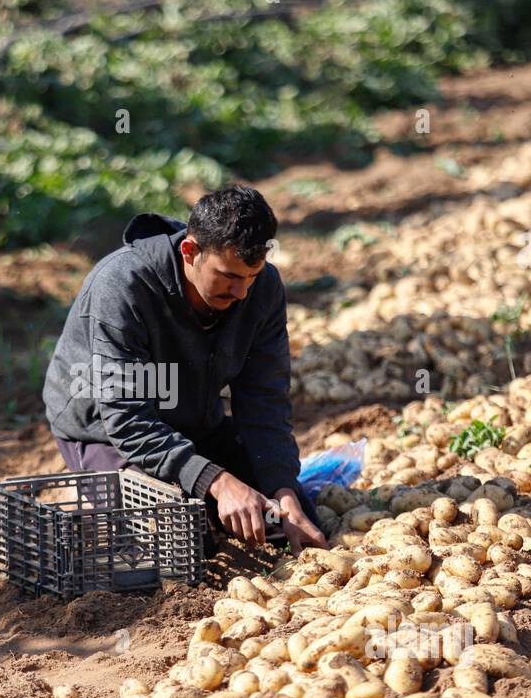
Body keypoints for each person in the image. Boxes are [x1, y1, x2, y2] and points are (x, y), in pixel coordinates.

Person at [42, 185, 327, 554]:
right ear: (189, 251)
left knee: (294, 521)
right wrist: (219, 482)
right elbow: (127, 420)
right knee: (185, 540)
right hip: (105, 431)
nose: (241, 293)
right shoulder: (123, 285)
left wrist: (282, 488)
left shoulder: (263, 289)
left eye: (251, 276)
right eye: (227, 276)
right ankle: (94, 484)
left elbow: (264, 400)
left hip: (193, 422)